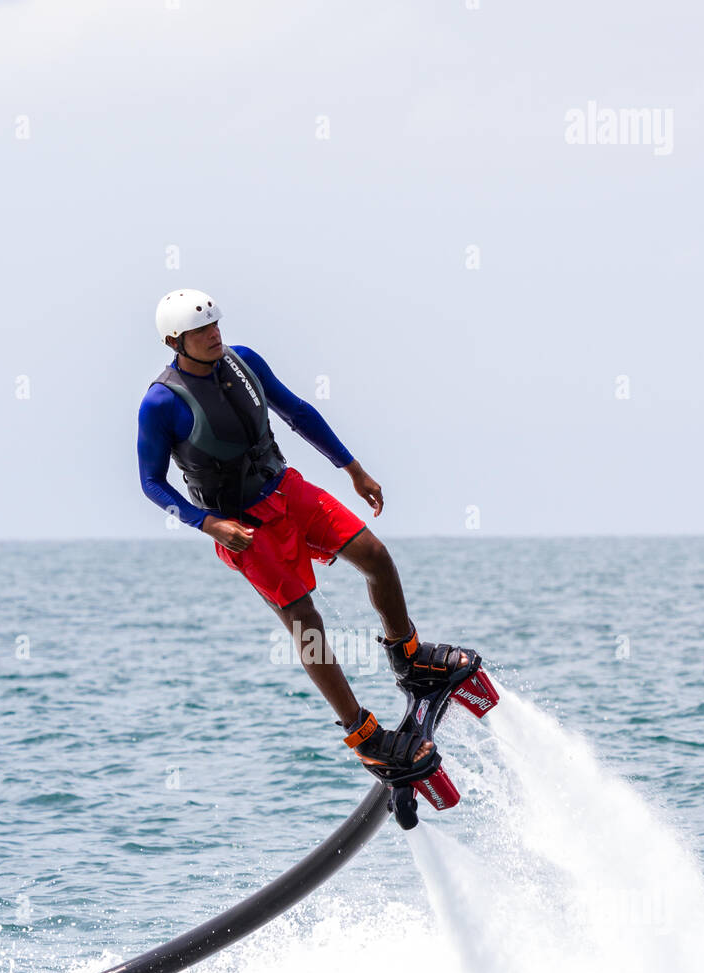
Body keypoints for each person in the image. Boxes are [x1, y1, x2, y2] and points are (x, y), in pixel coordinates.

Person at [137, 288, 478, 785]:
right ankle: (365, 736)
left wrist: (352, 468)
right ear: (175, 341)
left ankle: (408, 657)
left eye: (215, 324)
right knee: (305, 621)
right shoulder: (161, 402)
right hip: (242, 526)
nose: (214, 335)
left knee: (375, 555)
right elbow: (150, 482)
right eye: (201, 330)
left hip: (287, 488)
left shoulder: (244, 362)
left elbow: (298, 413)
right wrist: (207, 523)